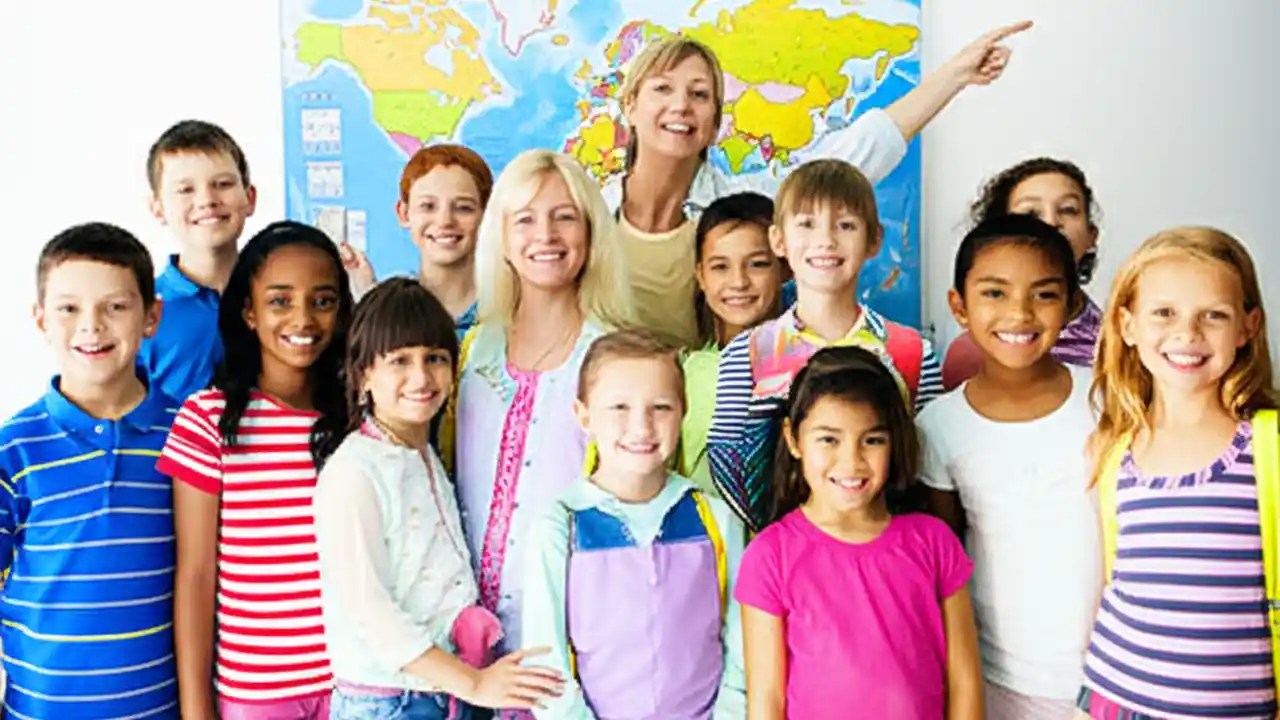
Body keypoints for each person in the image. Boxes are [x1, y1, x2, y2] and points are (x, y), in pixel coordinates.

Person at [602, 22, 1032, 347]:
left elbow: (859, 153)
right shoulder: (589, 211)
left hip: (713, 415)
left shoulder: (741, 206)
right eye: (662, 89)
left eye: (699, 94)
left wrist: (955, 76)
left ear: (715, 122)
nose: (681, 105)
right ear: (630, 106)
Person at [316, 278, 564, 719]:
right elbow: (370, 612)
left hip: (441, 692)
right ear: (364, 374)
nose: (421, 377)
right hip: (389, 702)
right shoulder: (354, 471)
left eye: (435, 358)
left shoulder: (423, 452)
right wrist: (475, 683)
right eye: (399, 361)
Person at [440, 150, 634, 687]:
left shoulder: (614, 356)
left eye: (564, 216)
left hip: (572, 639)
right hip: (466, 644)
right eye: (524, 219)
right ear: (501, 237)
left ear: (592, 233)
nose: (544, 234)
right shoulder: (473, 349)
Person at [1076, 227, 1277, 720]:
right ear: (1127, 324)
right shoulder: (1111, 450)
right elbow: (1112, 583)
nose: (1187, 334)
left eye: (1214, 315)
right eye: (1164, 312)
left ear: (1248, 326)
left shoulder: (1268, 447)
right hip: (1114, 697)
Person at [158, 221, 353, 720]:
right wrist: (197, 710)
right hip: (258, 692)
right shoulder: (209, 419)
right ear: (249, 311)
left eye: (323, 300)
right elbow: (197, 574)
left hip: (358, 685)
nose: (303, 319)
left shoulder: (358, 421)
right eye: (280, 301)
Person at [735, 346, 983, 719]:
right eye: (829, 440)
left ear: (895, 441)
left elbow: (965, 683)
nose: (851, 461)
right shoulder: (770, 555)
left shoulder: (933, 543)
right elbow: (767, 700)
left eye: (873, 440)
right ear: (793, 439)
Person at [918, 215, 1101, 718]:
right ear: (959, 306)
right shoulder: (938, 426)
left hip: (1112, 673)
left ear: (1068, 304)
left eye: (1043, 294)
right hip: (1000, 679)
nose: (1019, 313)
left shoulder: (1107, 399)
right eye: (995, 293)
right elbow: (946, 552)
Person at [0, 223, 178, 718]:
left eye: (116, 307)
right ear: (40, 321)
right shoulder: (14, 449)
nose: (92, 326)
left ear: (151, 316)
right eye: (68, 308)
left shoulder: (187, 434)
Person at [521, 330, 747, 719]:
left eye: (660, 407)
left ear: (683, 411)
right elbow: (547, 668)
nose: (641, 427)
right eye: (619, 408)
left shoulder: (715, 519)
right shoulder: (561, 526)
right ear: (584, 415)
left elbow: (743, 648)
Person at [706, 159, 941, 531]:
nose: (826, 241)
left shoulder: (912, 352)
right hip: (788, 558)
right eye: (807, 224)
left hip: (885, 553)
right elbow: (727, 457)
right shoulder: (747, 354)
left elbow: (927, 467)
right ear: (778, 240)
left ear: (874, 240)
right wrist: (783, 534)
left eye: (845, 225)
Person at [942, 158, 1103, 389]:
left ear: (1091, 235)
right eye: (1030, 212)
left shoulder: (1119, 342)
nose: (1051, 222)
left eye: (1068, 210)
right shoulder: (971, 351)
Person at [141, 119, 258, 402]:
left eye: (223, 184)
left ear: (250, 198)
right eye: (185, 190)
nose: (207, 200)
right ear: (157, 208)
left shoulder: (281, 297)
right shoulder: (141, 312)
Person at [681, 191, 788, 494]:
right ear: (700, 276)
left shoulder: (809, 361)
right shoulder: (686, 372)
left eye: (757, 264)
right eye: (720, 267)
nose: (739, 281)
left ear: (784, 267)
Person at [344, 144, 493, 340]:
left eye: (463, 208)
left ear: (488, 213)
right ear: (404, 214)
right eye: (428, 206)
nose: (445, 221)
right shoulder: (389, 312)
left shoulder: (511, 312)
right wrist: (371, 303)